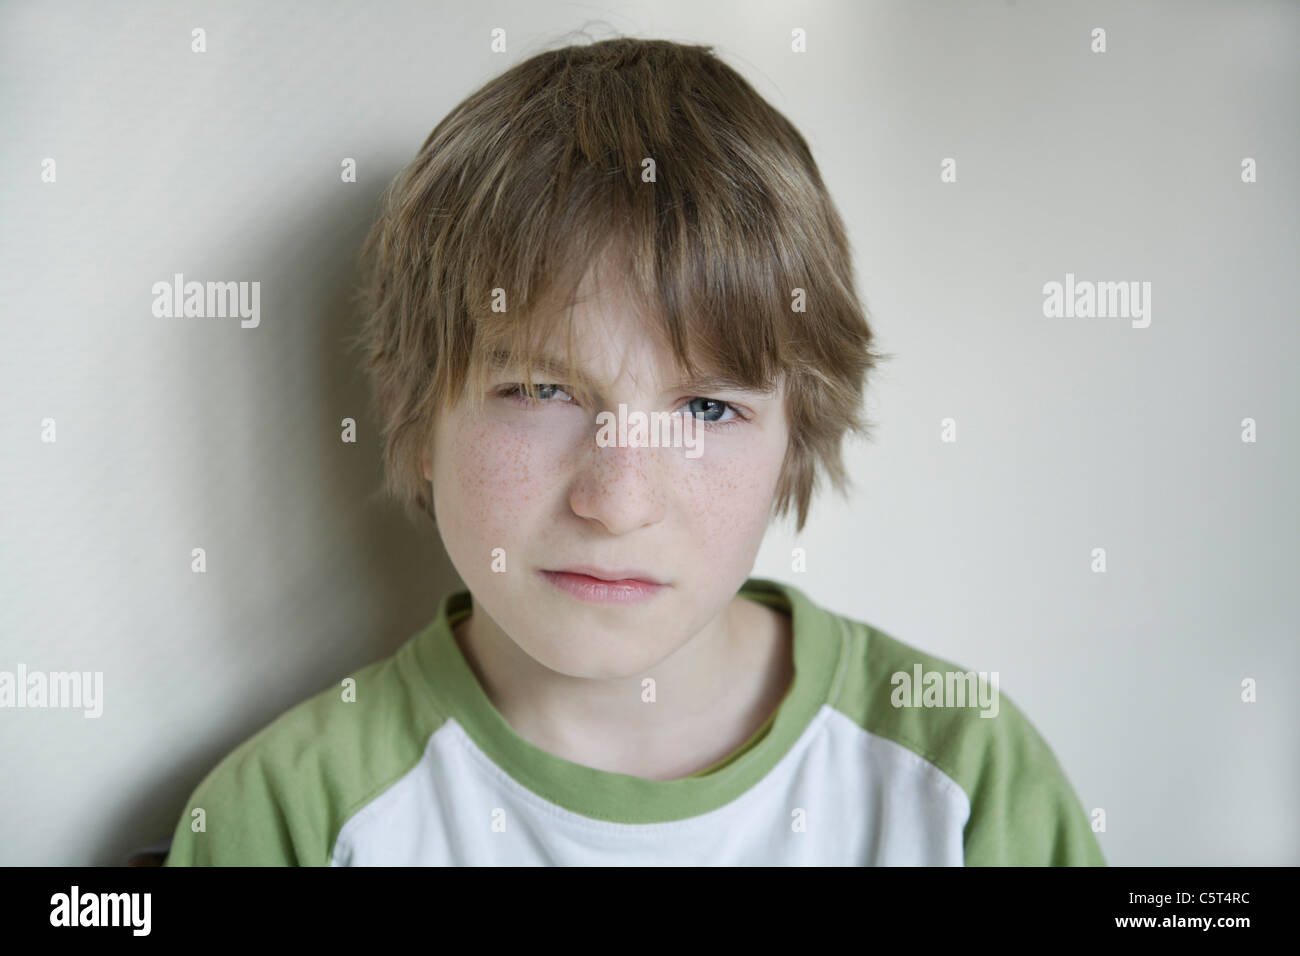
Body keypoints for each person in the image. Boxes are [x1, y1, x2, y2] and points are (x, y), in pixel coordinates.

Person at [163, 36, 1104, 866]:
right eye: (540, 391)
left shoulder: (962, 777)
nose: (616, 500)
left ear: (795, 440)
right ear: (414, 420)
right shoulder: (289, 819)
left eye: (705, 409)